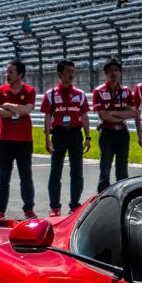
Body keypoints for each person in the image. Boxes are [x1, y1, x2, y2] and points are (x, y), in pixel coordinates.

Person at [41, 60, 91, 217]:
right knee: (56, 171)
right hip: (59, 134)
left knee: (77, 171)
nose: (71, 75)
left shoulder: (80, 95)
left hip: (76, 134)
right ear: (59, 74)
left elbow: (84, 116)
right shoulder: (51, 95)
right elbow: (47, 117)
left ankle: (74, 204)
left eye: (73, 71)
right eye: (68, 71)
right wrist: (47, 139)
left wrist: (88, 137)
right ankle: (55, 206)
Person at [0, 60, 38, 219]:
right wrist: (16, 111)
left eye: (11, 72)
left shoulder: (30, 90)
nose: (7, 75)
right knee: (3, 177)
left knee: (26, 176)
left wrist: (8, 105)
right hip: (4, 140)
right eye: (7, 72)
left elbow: (27, 110)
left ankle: (29, 209)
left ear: (20, 74)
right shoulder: (0, 90)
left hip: (24, 140)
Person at [93, 58, 137, 192]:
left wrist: (113, 113)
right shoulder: (99, 91)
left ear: (120, 73)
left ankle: (123, 196)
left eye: (116, 70)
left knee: (122, 170)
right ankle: (102, 199)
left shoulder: (127, 91)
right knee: (105, 168)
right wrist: (122, 114)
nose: (114, 73)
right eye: (110, 71)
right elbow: (103, 116)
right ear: (105, 74)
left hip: (123, 133)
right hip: (107, 132)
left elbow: (134, 113)